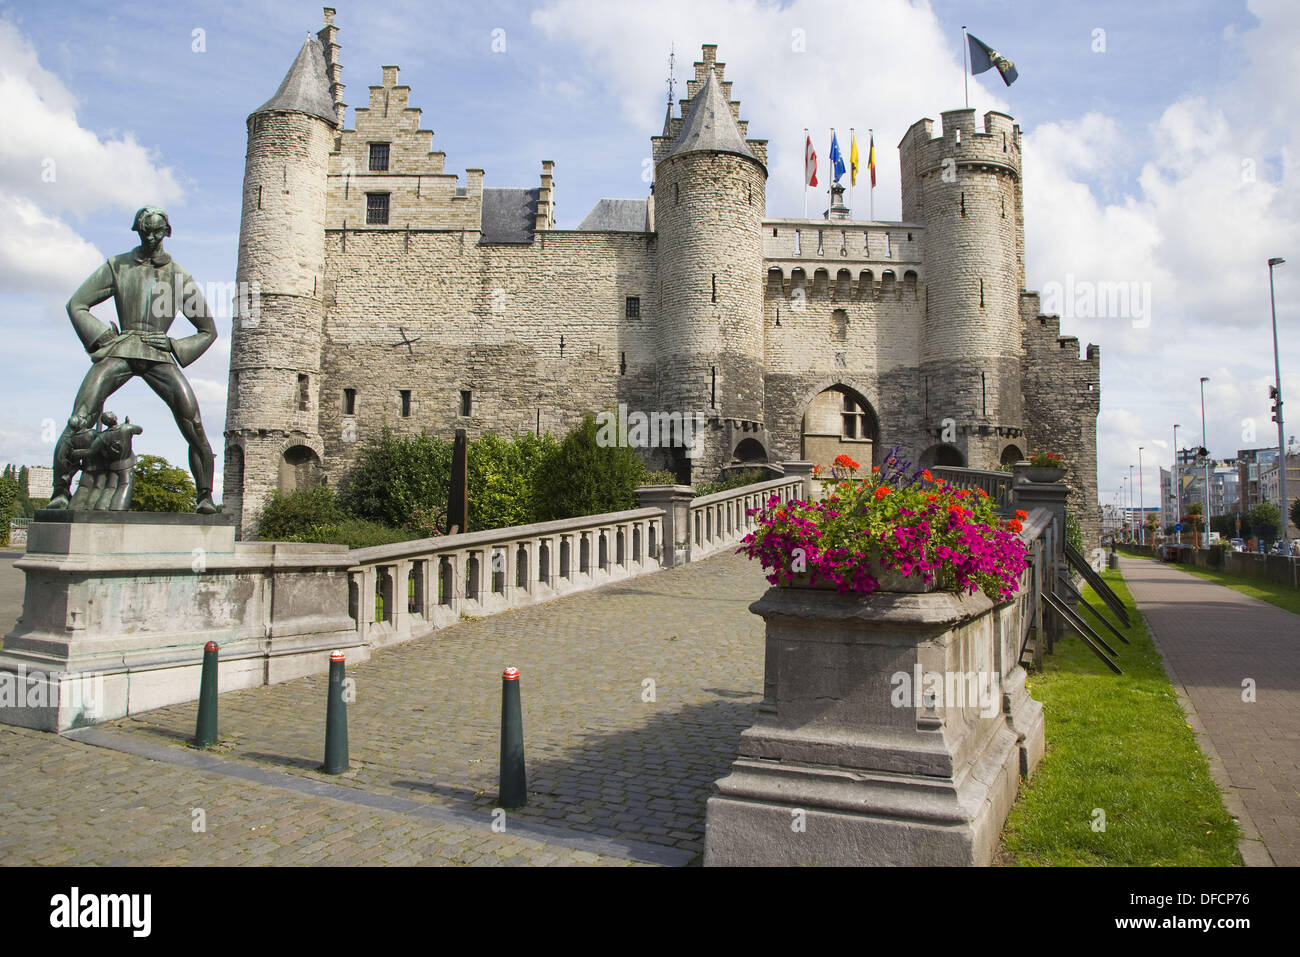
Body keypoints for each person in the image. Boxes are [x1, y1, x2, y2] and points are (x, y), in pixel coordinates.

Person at [48, 207, 218, 513]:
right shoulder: (118, 266)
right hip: (123, 348)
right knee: (80, 418)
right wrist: (102, 338)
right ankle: (60, 491)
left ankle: (205, 496)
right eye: (145, 232)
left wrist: (173, 344)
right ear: (138, 232)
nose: (151, 238)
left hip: (158, 353)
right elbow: (77, 304)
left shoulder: (179, 277)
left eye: (156, 232)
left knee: (192, 422)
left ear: (167, 231)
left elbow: (207, 330)